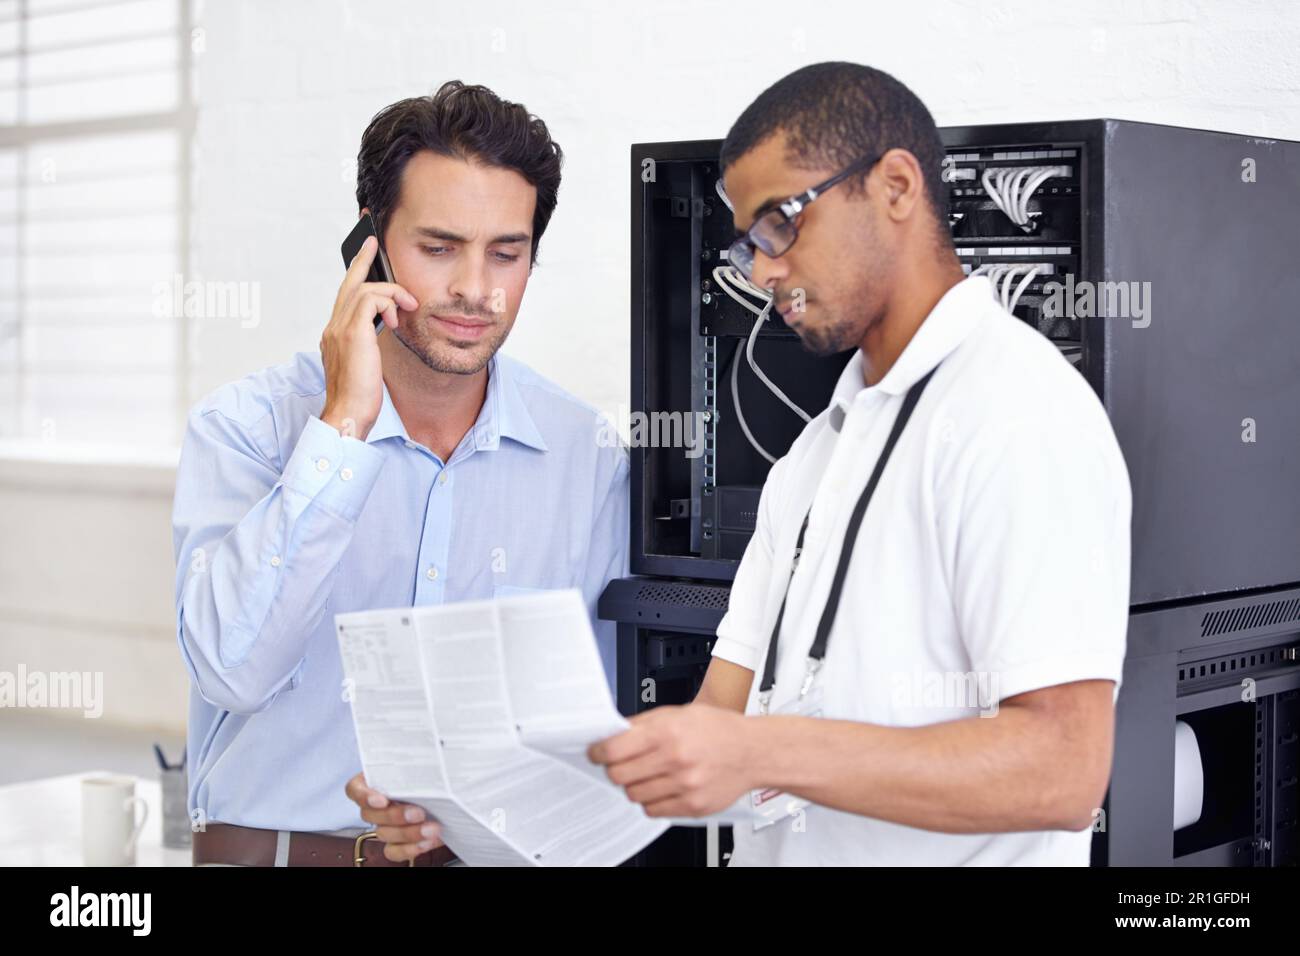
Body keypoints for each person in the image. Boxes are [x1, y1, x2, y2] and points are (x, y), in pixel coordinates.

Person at [173, 81, 627, 866]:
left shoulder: (585, 454)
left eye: (507, 253)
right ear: (368, 246)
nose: (475, 290)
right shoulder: (245, 430)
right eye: (440, 247)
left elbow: (594, 738)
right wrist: (344, 424)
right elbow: (232, 671)